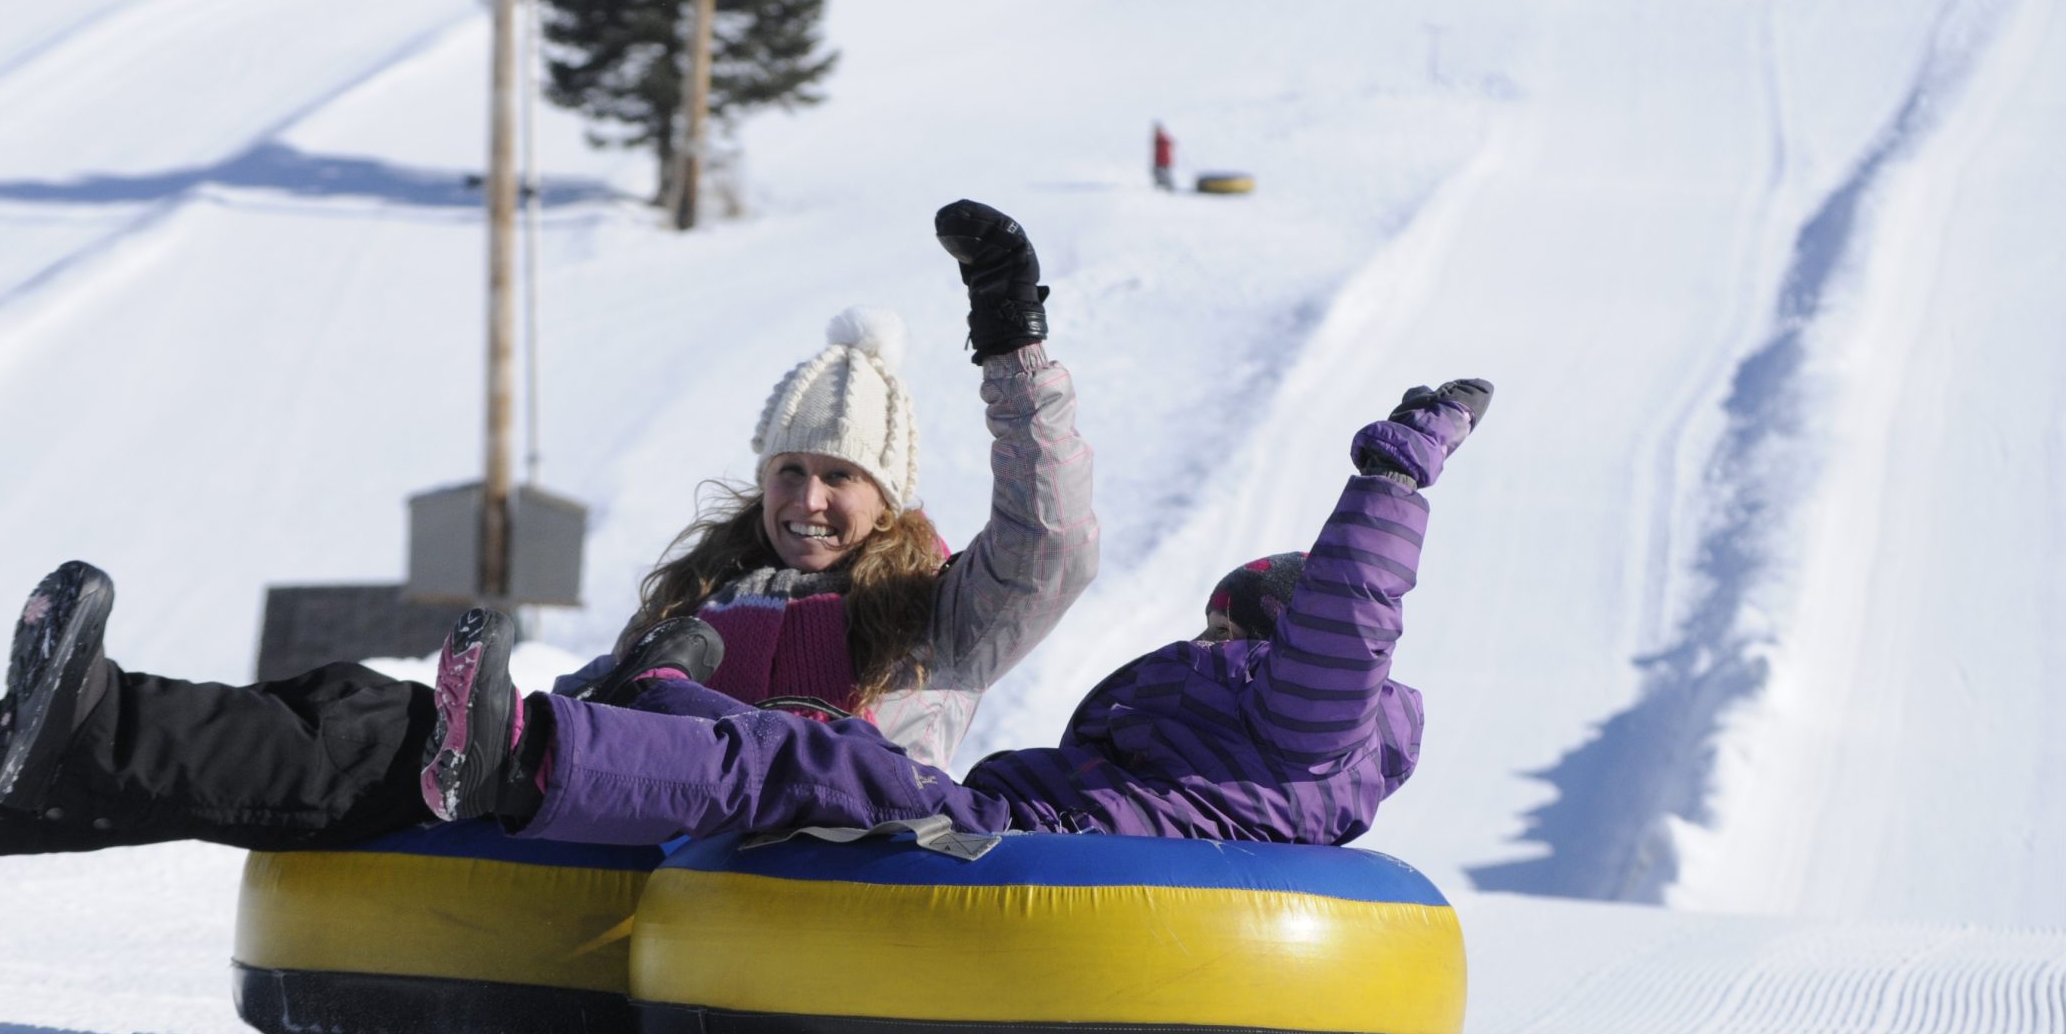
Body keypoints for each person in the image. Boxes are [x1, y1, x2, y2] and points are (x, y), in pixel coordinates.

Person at [0, 201, 1098, 860]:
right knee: (356, 715)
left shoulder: (938, 614)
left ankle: (65, 737)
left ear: (888, 497)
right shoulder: (712, 588)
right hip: (601, 790)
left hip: (758, 835)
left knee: (394, 746)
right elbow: (614, 693)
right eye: (789, 470)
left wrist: (1011, 341)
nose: (808, 501)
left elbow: (1051, 537)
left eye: (840, 478)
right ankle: (13, 765)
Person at [425, 380, 1490, 847]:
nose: (1207, 643)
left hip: (1047, 850)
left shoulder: (1308, 727)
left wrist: (1395, 475)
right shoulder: (1245, 754)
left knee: (822, 762)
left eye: (1227, 630)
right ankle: (620, 706)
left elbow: (1348, 619)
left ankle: (528, 753)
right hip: (1042, 829)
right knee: (808, 749)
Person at [1151, 122, 1176, 191]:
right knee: (1161, 177)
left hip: (1164, 163)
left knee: (1165, 177)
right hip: (1160, 163)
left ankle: (1170, 188)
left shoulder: (1161, 140)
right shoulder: (1159, 140)